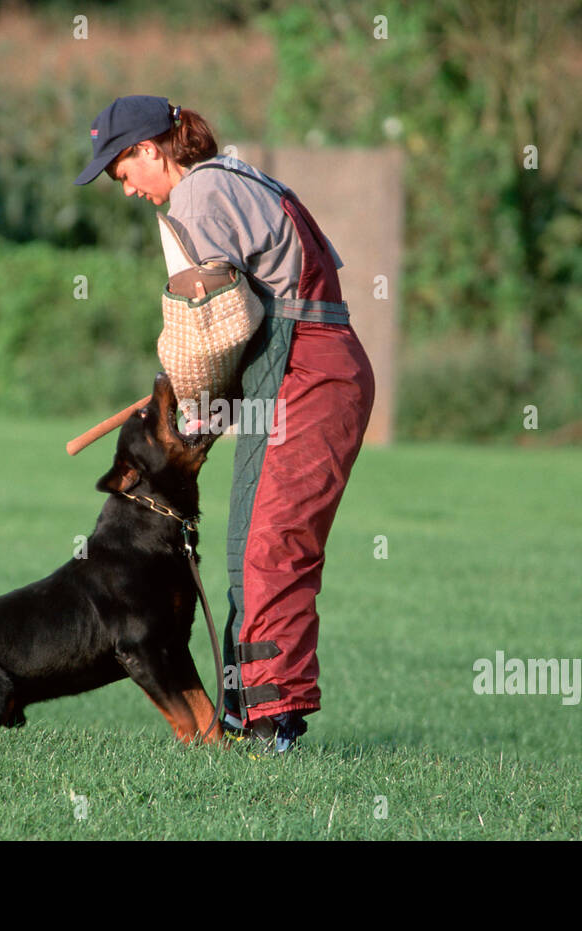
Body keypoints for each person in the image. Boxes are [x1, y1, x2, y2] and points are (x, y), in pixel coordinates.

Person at [75, 95, 375, 752]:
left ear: (151, 149)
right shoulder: (230, 176)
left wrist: (176, 393)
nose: (128, 191)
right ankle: (243, 714)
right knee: (246, 547)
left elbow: (211, 330)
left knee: (273, 547)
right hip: (292, 371)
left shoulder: (198, 197)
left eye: (124, 173)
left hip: (311, 373)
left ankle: (276, 723)